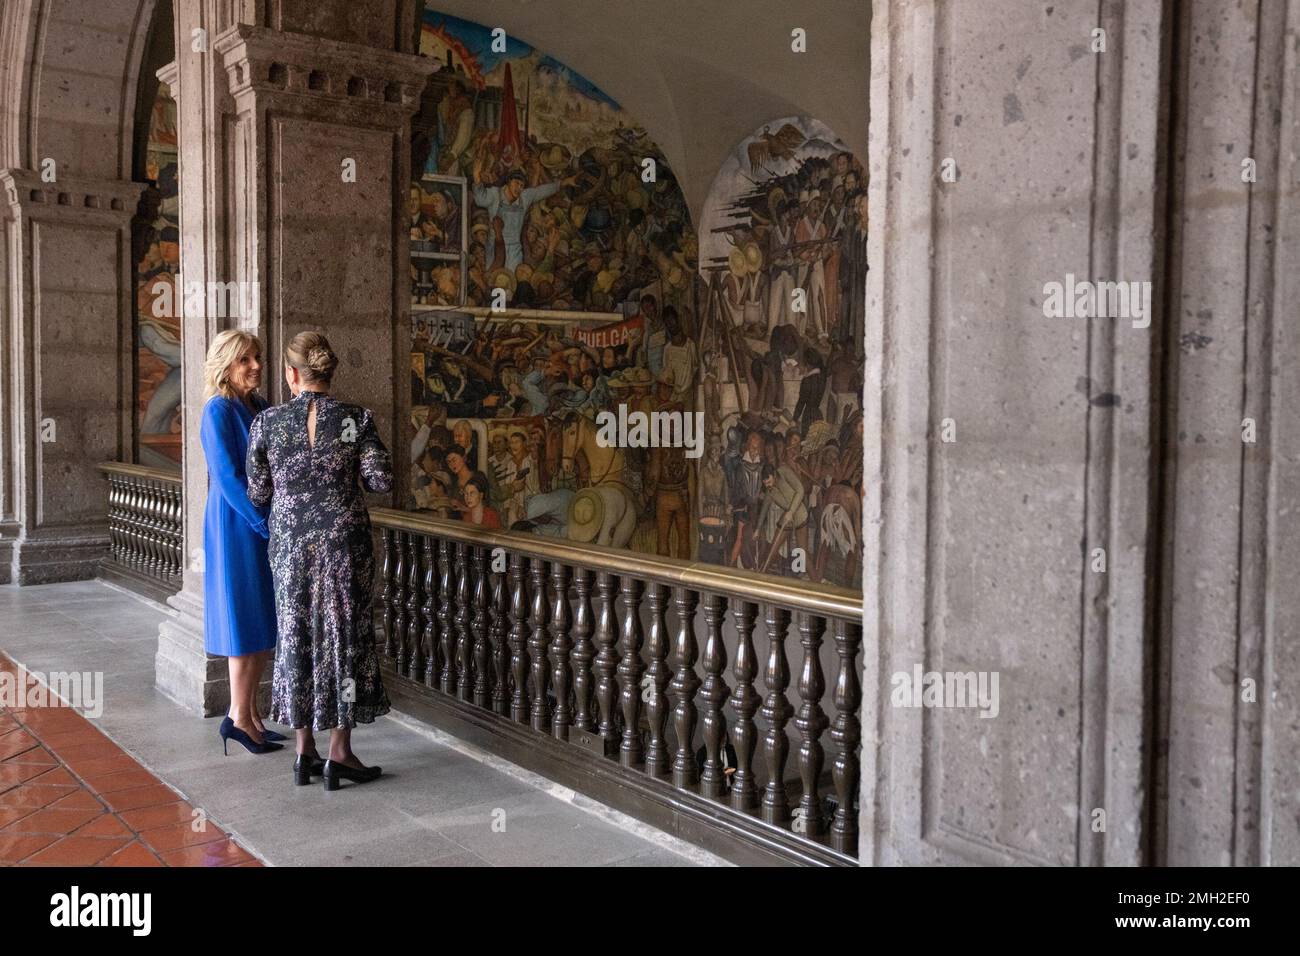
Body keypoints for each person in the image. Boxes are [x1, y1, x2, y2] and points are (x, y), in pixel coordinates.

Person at [246, 331, 393, 791]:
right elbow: (381, 478)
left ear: (291, 374)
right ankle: (339, 753)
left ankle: (303, 751)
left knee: (297, 636)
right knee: (342, 636)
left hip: (290, 545)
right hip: (342, 544)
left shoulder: (267, 423)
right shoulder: (354, 419)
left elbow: (258, 492)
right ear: (329, 371)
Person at [199, 330, 283, 757]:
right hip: (235, 523)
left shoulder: (262, 406)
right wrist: (261, 523)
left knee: (260, 619)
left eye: (257, 357)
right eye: (244, 360)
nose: (255, 365)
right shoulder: (217, 411)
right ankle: (237, 717)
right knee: (242, 619)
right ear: (226, 366)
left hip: (262, 521)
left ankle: (251, 716)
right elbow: (229, 479)